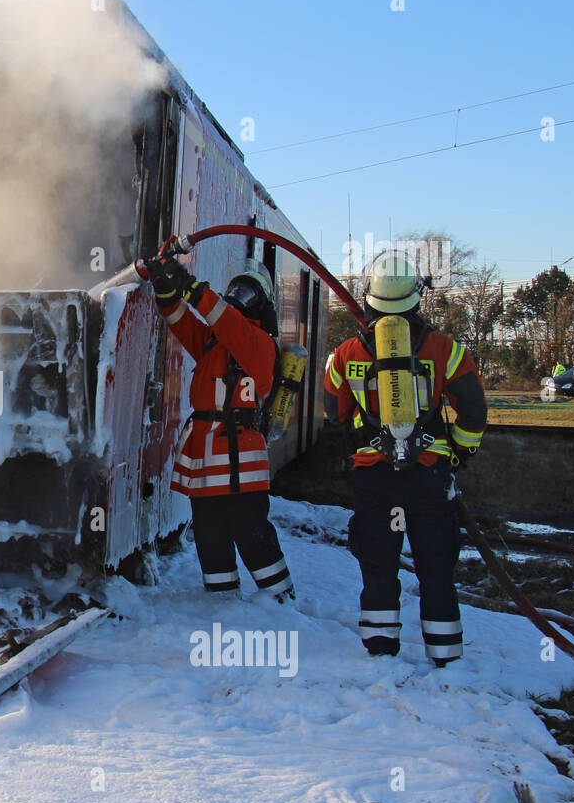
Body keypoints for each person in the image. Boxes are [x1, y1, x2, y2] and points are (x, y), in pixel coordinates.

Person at [323, 250, 487, 666]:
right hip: (428, 477)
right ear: (417, 297)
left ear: (369, 298)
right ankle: (446, 657)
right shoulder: (446, 350)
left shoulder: (343, 356)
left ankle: (380, 652)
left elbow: (334, 414)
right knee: (435, 566)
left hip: (374, 479)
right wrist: (460, 452)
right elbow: (474, 410)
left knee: (379, 565)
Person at [138, 252, 296, 603]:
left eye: (248, 291)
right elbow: (179, 320)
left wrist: (192, 287)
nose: (239, 295)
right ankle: (221, 600)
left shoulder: (259, 343)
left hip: (240, 455)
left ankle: (281, 599)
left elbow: (223, 319)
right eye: (237, 288)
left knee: (250, 530)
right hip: (207, 454)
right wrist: (166, 288)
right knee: (209, 531)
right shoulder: (216, 339)